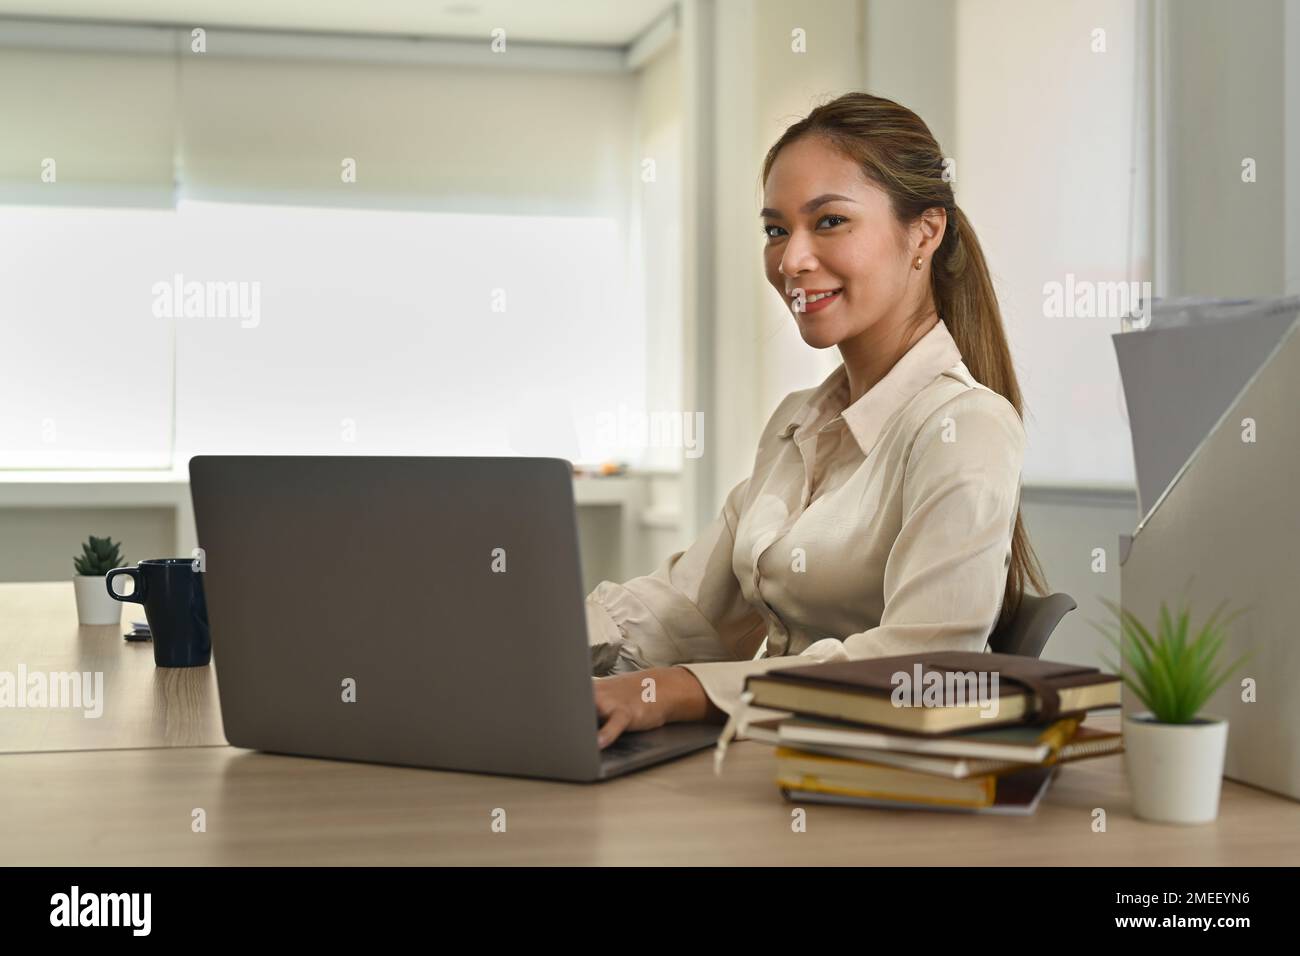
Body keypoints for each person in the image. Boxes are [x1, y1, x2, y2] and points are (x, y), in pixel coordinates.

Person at [589, 91, 1048, 749]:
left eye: (829, 222)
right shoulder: (795, 425)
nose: (792, 260)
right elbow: (687, 606)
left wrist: (686, 691)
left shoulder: (965, 427)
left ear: (925, 232)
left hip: (864, 798)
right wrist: (537, 646)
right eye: (776, 230)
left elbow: (922, 666)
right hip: (762, 772)